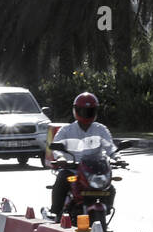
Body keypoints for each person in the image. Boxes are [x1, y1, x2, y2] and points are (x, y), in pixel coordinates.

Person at [49, 91, 126, 220]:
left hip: (93, 171)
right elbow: (57, 147)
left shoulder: (101, 129)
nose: (86, 114)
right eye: (83, 111)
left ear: (95, 112)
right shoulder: (66, 130)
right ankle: (55, 212)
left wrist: (118, 158)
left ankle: (105, 210)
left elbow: (110, 147)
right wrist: (61, 158)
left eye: (90, 111)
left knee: (110, 188)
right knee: (62, 179)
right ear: (76, 111)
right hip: (72, 170)